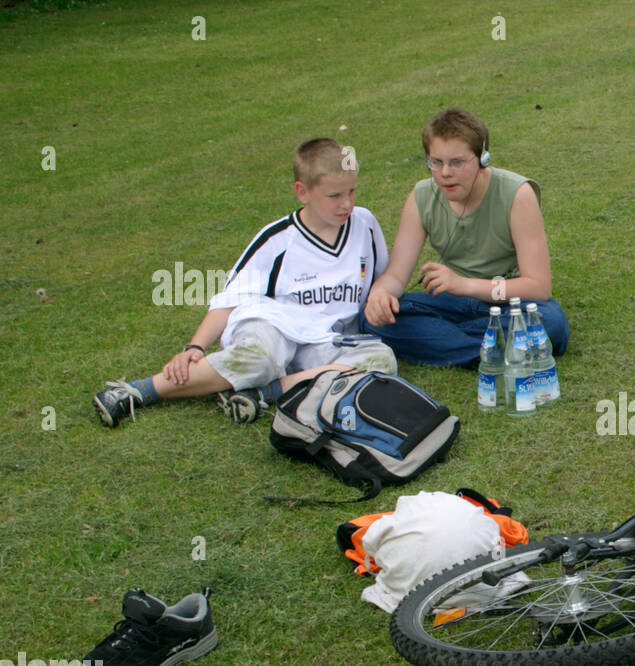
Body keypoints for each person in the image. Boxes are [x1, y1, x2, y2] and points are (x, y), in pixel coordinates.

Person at [93, 138, 397, 428]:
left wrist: (380, 296)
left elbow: (382, 277)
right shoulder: (276, 240)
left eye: (352, 192)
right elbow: (229, 299)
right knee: (259, 359)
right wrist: (195, 346)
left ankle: (265, 393)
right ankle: (136, 392)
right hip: (272, 327)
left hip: (322, 341)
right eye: (334, 196)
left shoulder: (365, 224)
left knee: (381, 361)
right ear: (302, 192)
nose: (346, 203)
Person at [361, 107, 569, 365]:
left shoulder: (517, 194)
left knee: (552, 322)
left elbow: (538, 286)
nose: (445, 173)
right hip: (451, 302)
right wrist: (380, 296)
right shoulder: (421, 196)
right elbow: (396, 275)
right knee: (371, 319)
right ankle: (500, 347)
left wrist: (464, 285)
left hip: (505, 299)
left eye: (456, 162)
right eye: (436, 162)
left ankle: (451, 344)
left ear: (483, 160)